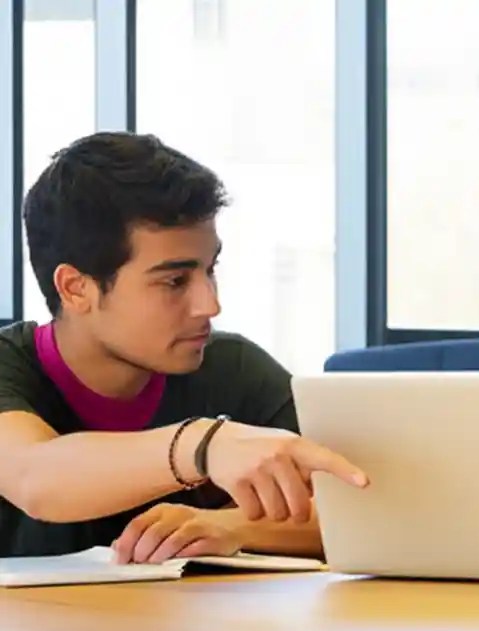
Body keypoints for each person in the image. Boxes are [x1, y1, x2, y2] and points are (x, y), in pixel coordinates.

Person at [0, 131, 367, 562]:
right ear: (76, 288)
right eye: (174, 281)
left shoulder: (234, 368)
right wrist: (203, 445)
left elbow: (360, 506)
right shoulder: (10, 365)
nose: (209, 303)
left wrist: (230, 525)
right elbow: (35, 477)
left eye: (209, 270)